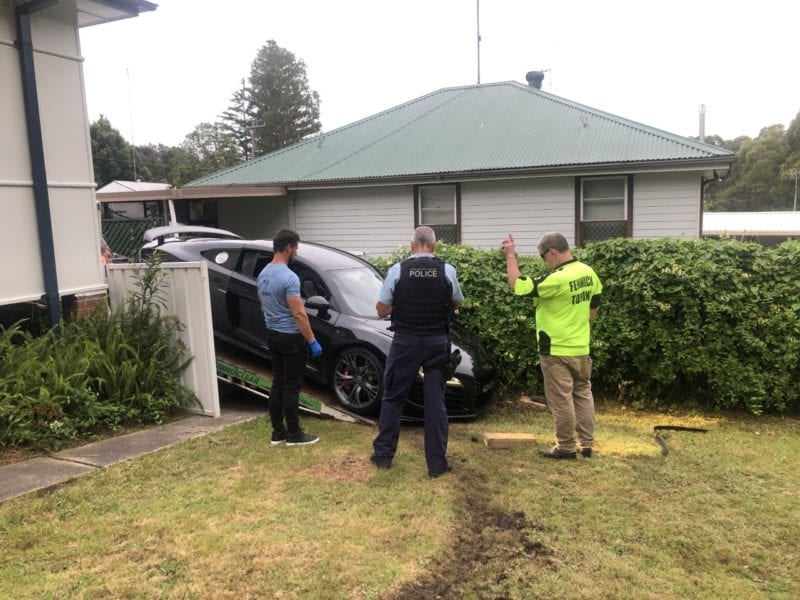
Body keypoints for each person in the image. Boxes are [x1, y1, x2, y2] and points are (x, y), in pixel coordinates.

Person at [371, 226, 464, 477]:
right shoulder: (447, 270)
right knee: (435, 403)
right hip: (436, 342)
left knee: (393, 397)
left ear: (411, 245)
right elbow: (457, 302)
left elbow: (381, 310)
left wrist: (398, 305)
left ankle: (383, 457)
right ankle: (437, 465)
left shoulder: (397, 270)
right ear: (434, 246)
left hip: (406, 342)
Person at [502, 231, 602, 459]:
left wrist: (510, 255)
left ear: (553, 253)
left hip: (556, 350)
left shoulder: (558, 278)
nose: (544, 261)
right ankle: (585, 445)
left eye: (542, 256)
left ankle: (566, 447)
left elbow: (518, 285)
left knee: (561, 399)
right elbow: (593, 310)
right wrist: (583, 329)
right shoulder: (589, 273)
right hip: (581, 347)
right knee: (583, 393)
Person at [257, 229, 323, 446]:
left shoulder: (263, 274)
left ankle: (278, 432)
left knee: (277, 383)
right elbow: (298, 313)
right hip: (291, 338)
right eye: (296, 248)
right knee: (291, 387)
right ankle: (294, 434)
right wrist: (312, 341)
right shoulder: (288, 277)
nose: (296, 252)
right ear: (289, 248)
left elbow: (264, 307)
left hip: (272, 335)